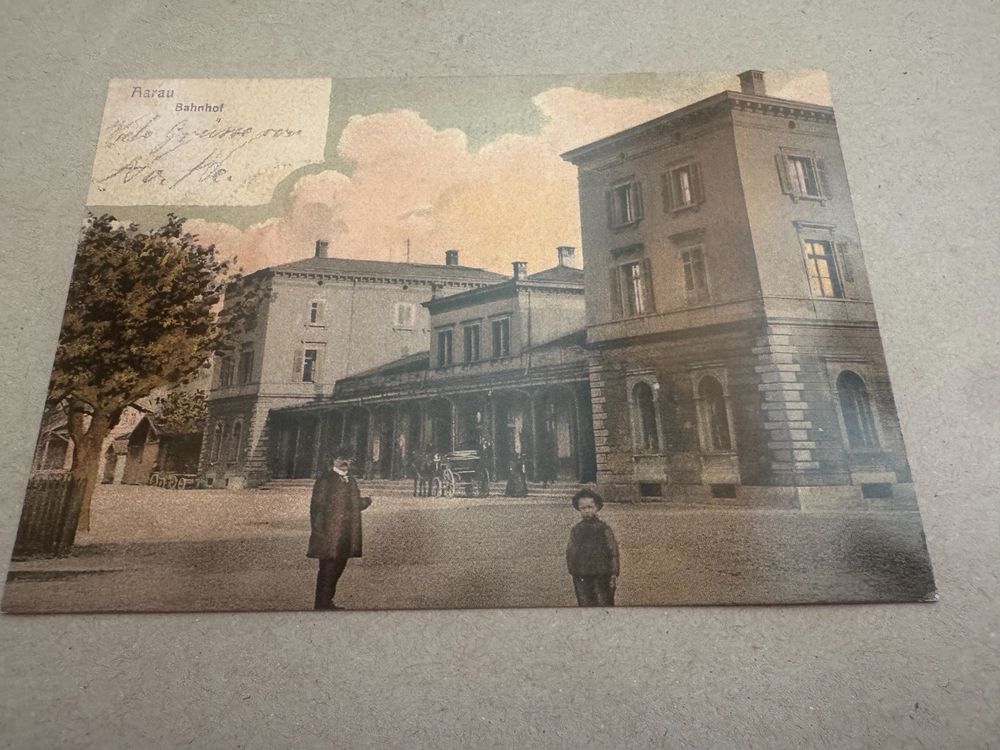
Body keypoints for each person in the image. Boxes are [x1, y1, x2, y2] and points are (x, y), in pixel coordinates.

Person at [307, 445, 372, 610]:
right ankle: (321, 604)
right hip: (330, 535)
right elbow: (317, 508)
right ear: (333, 460)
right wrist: (319, 533)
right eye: (341, 458)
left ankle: (327, 601)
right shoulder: (325, 480)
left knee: (338, 568)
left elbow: (353, 504)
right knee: (327, 570)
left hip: (346, 535)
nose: (345, 462)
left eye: (348, 459)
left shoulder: (351, 480)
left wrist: (365, 502)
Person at [565, 488, 619, 607]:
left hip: (602, 574)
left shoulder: (604, 529)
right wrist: (573, 569)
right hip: (581, 575)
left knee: (604, 603)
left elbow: (613, 551)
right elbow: (571, 550)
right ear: (579, 509)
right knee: (585, 603)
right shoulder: (576, 530)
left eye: (590, 507)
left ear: (597, 508)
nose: (587, 511)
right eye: (583, 508)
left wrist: (613, 573)